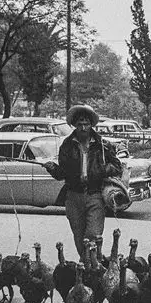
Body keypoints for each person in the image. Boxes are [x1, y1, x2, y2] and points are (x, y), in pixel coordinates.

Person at [42, 105, 123, 259]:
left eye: (86, 124)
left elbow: (117, 167)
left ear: (91, 124)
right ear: (75, 125)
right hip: (73, 196)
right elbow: (62, 174)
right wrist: (52, 168)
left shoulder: (102, 145)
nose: (83, 128)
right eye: (80, 124)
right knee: (79, 237)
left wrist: (101, 170)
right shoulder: (67, 145)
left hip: (95, 195)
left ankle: (91, 264)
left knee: (93, 234)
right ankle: (89, 265)